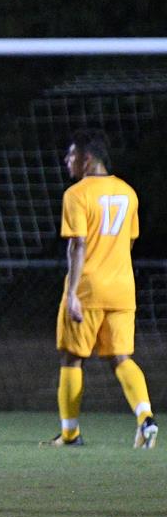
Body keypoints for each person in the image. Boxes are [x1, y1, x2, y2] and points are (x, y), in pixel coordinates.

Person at [48, 129, 155, 449]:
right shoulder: (128, 192)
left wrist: (72, 293)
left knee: (72, 359)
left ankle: (70, 434)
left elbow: (78, 245)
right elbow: (130, 240)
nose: (67, 161)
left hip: (89, 287)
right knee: (121, 357)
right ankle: (145, 418)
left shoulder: (77, 195)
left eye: (71, 155)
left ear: (87, 159)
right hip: (122, 287)